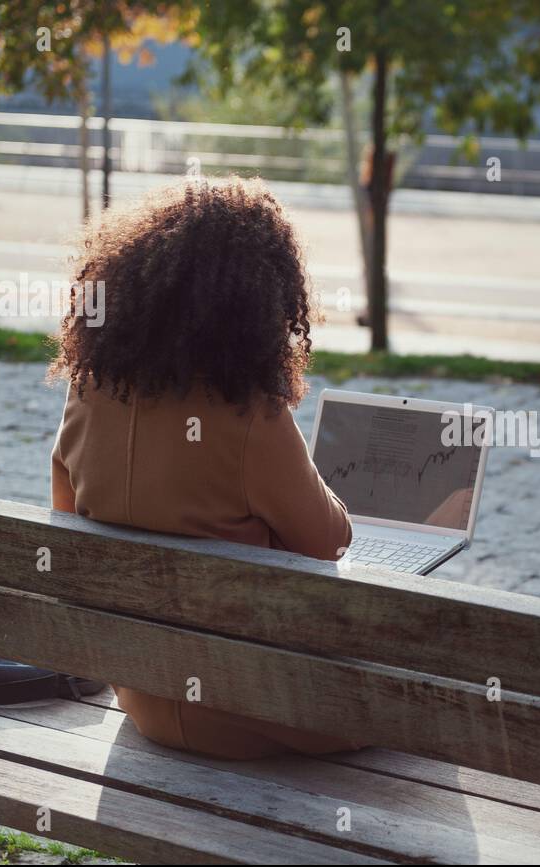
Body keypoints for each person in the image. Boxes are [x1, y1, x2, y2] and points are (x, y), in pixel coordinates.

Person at [48, 176, 356, 759]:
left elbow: (66, 515)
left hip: (142, 700)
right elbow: (328, 542)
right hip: (258, 709)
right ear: (258, 301)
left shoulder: (88, 395)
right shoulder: (250, 417)